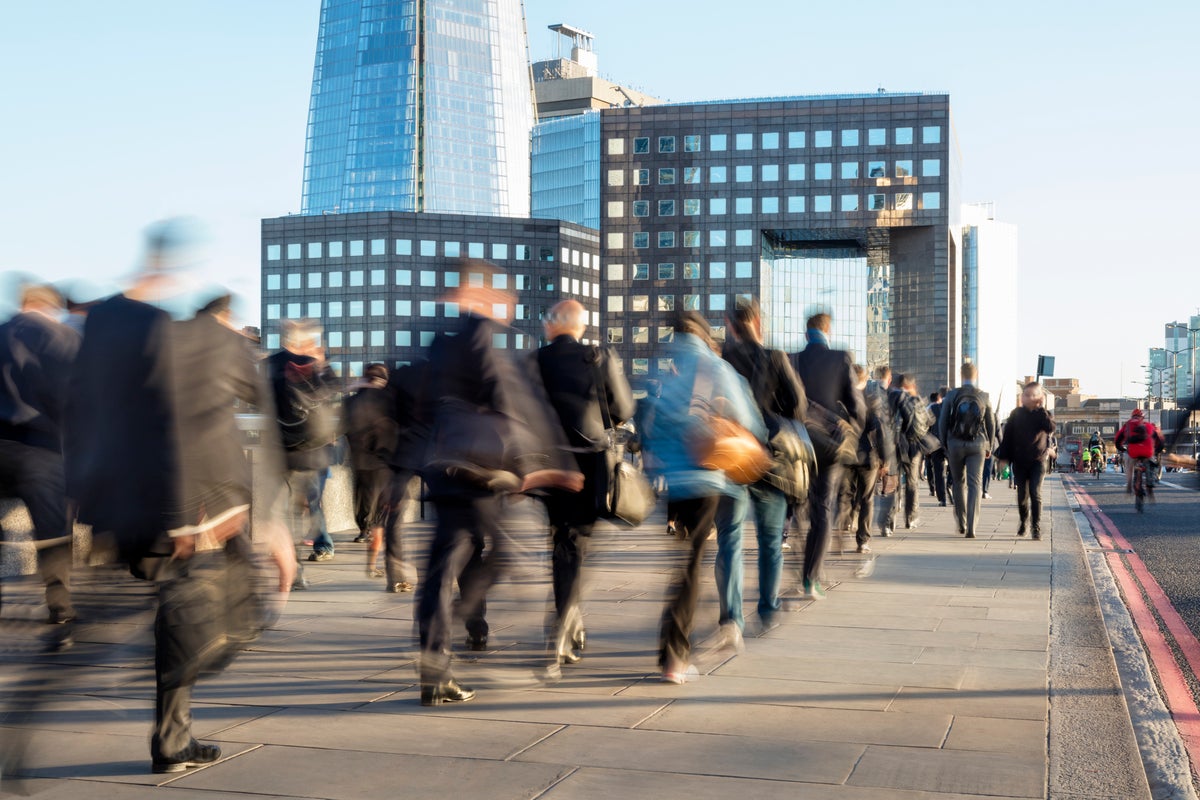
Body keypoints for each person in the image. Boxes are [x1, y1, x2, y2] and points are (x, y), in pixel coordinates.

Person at [66, 220, 292, 774]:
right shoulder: (214, 341)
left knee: (177, 605)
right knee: (227, 608)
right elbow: (261, 421)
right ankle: (181, 692)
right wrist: (274, 522)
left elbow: (81, 416)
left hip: (131, 508)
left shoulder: (107, 331)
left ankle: (173, 731)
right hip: (199, 511)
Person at [417, 260, 581, 705]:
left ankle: (435, 666)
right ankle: (459, 623)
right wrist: (548, 467)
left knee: (439, 569)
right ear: (484, 297)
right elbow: (516, 409)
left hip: (442, 468)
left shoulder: (440, 344)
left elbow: (421, 400)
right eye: (504, 297)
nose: (509, 305)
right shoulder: (483, 343)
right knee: (503, 554)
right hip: (478, 476)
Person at [645, 311, 764, 682]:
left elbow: (650, 427)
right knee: (693, 564)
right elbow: (750, 422)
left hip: (675, 483)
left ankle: (672, 649)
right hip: (707, 476)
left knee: (683, 563)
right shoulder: (716, 367)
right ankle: (675, 658)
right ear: (703, 334)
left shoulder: (668, 373)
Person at [535, 299, 634, 666]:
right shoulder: (598, 356)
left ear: (553, 324)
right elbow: (622, 410)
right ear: (580, 325)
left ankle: (568, 621)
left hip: (546, 462)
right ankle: (565, 625)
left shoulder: (535, 361)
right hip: (588, 463)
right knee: (575, 544)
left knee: (562, 540)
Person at [715, 298, 806, 644]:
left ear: (730, 324)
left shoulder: (722, 360)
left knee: (730, 539)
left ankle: (732, 619)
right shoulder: (776, 357)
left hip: (730, 460)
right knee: (770, 541)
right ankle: (767, 608)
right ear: (758, 323)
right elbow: (798, 405)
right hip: (769, 459)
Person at [0, 285, 81, 648]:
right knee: (52, 534)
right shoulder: (61, 338)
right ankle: (59, 609)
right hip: (42, 450)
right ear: (50, 307)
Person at [789, 313, 864, 597]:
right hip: (829, 445)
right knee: (823, 510)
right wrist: (852, 429)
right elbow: (856, 404)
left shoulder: (793, 359)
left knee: (798, 504)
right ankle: (811, 579)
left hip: (797, 443)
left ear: (806, 332)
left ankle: (799, 559)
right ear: (827, 330)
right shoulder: (839, 358)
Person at [266, 320, 338, 572]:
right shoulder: (308, 362)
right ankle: (314, 549)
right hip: (307, 448)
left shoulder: (272, 363)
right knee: (308, 502)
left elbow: (258, 397)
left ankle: (302, 558)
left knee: (293, 506)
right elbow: (329, 393)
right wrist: (322, 366)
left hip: (291, 447)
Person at [342, 363, 396, 578]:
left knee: (365, 507)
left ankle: (364, 531)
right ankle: (373, 564)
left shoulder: (350, 401)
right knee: (382, 518)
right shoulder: (389, 400)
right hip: (384, 464)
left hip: (359, 462)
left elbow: (342, 428)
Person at [938, 362, 997, 539]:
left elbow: (943, 421)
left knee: (958, 483)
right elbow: (991, 423)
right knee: (975, 484)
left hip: (955, 443)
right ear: (976, 374)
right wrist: (989, 446)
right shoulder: (984, 396)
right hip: (977, 444)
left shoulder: (952, 395)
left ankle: (961, 522)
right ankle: (972, 526)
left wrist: (945, 444)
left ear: (960, 374)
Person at [994, 382, 1055, 539]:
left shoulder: (1043, 414)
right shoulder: (1016, 414)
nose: (1029, 398)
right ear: (1022, 397)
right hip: (1020, 461)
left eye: (1033, 395)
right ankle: (1023, 522)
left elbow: (1050, 428)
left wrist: (1041, 408)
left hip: (1038, 460)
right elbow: (1007, 438)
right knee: (1022, 495)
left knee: (1035, 492)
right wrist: (1003, 458)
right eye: (1026, 395)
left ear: (1040, 397)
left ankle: (1036, 527)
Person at [841, 364, 891, 554]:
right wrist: (885, 459)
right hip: (867, 456)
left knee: (845, 493)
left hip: (845, 455)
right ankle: (862, 540)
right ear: (865, 380)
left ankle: (845, 521)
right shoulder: (870, 401)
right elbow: (879, 432)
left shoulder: (841, 401)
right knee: (867, 498)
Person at [885, 373, 928, 532]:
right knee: (912, 483)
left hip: (893, 445)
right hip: (913, 446)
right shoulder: (916, 400)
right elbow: (927, 422)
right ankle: (911, 518)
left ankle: (889, 521)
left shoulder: (890, 397)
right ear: (912, 385)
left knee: (892, 482)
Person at [1114, 408, 1165, 494]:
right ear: (1142, 417)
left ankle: (1129, 484)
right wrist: (1157, 450)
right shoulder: (1148, 425)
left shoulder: (1128, 425)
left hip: (1133, 453)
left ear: (1132, 416)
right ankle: (1150, 482)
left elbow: (1118, 439)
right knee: (1152, 463)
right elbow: (1159, 439)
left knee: (1129, 464)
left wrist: (1121, 448)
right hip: (1147, 452)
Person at [925, 389, 949, 505]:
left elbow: (926, 429)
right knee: (956, 470)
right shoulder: (952, 408)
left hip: (935, 444)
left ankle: (942, 499)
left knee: (938, 473)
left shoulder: (931, 409)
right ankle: (949, 485)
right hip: (949, 444)